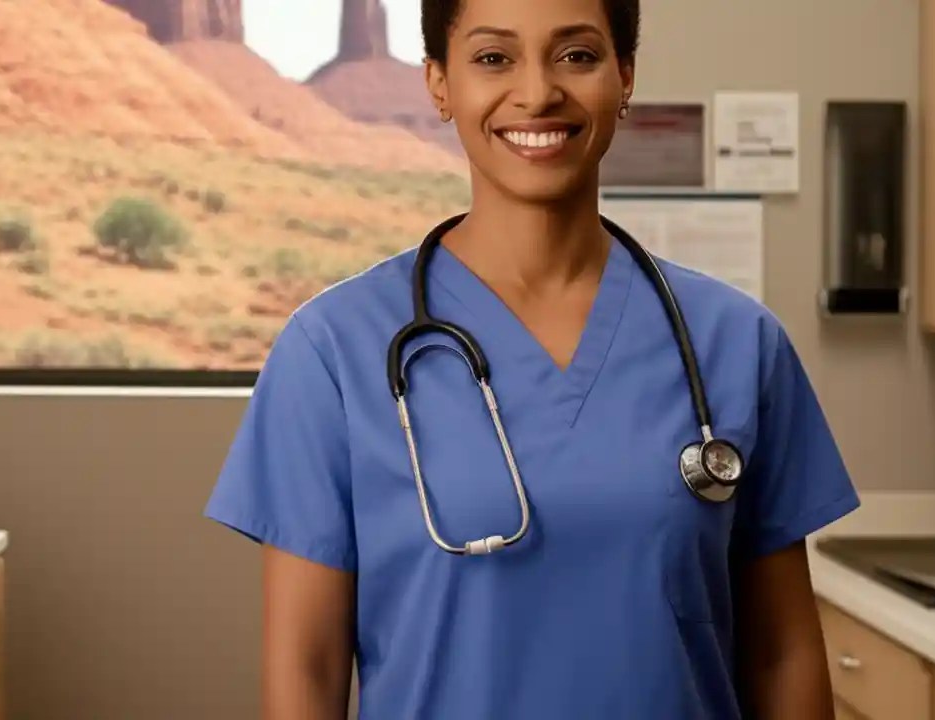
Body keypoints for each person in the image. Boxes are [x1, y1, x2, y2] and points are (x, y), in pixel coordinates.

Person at [204, 0, 860, 717]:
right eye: (493, 58)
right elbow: (307, 667)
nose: (538, 91)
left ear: (626, 76)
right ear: (439, 83)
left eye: (577, 55)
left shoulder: (736, 343)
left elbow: (782, 652)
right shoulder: (332, 351)